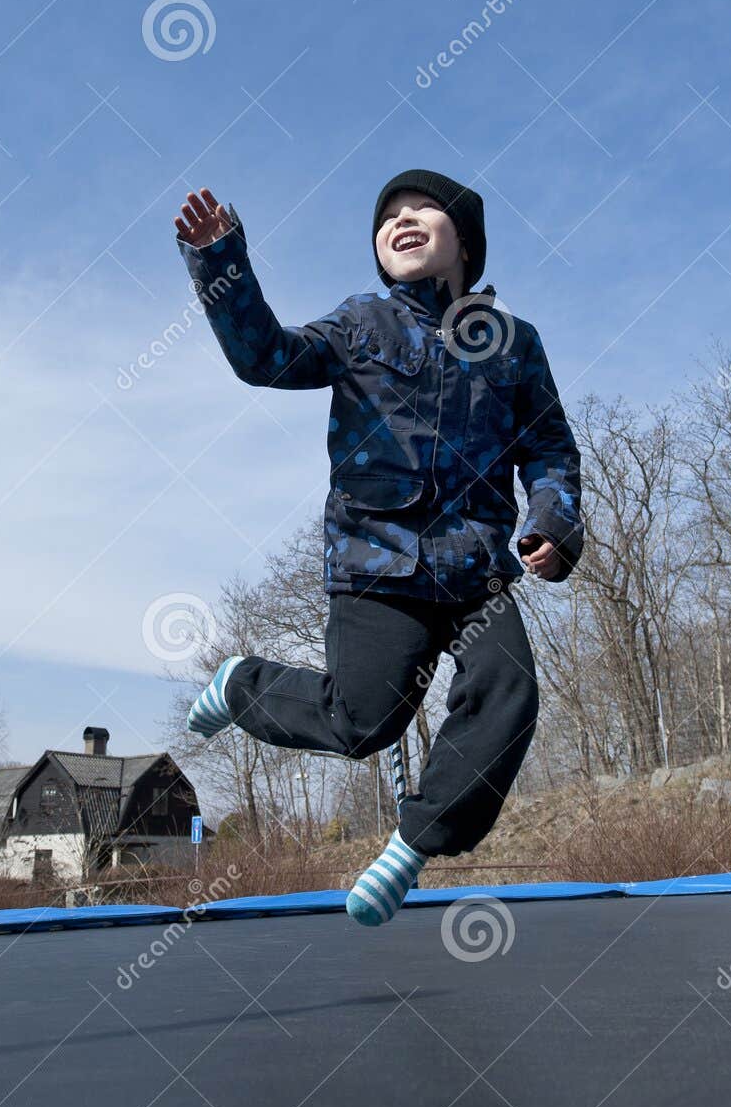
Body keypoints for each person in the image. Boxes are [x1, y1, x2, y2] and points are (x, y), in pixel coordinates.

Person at [174, 170, 583, 926]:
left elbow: (551, 449)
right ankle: (243, 687)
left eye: (421, 210)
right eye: (387, 215)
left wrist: (553, 527)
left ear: (466, 240)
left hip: (474, 569)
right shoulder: (363, 323)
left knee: (509, 687)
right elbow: (269, 358)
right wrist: (222, 267)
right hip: (375, 561)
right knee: (364, 723)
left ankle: (412, 847)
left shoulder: (513, 345)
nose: (401, 220)